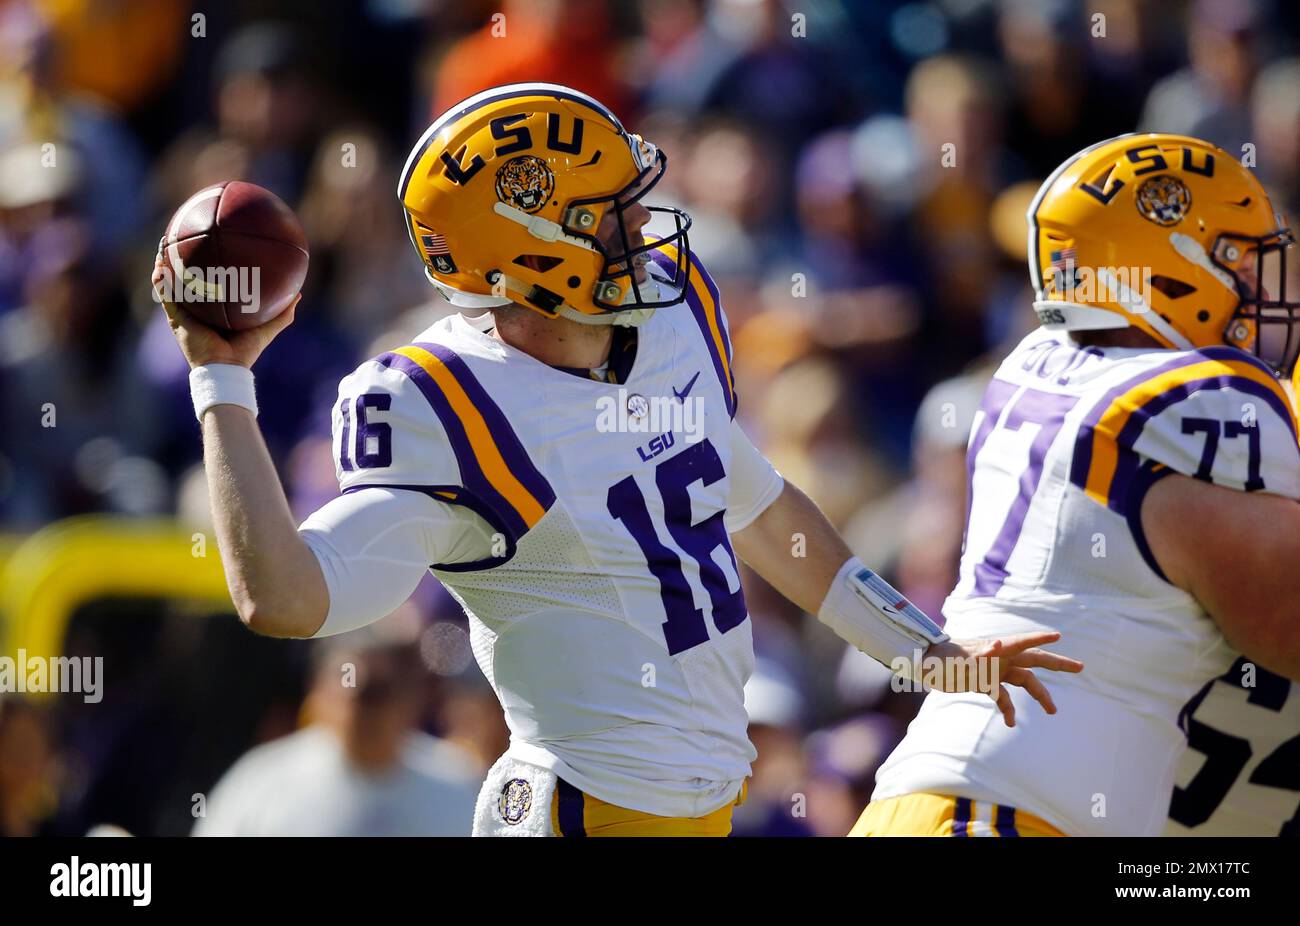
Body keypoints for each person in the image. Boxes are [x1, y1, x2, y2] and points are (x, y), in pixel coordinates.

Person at [154, 82, 1080, 837]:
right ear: (534, 250)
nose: (644, 231)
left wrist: (924, 654)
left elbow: (755, 506)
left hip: (699, 806)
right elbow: (285, 599)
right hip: (577, 811)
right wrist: (222, 379)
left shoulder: (672, 314)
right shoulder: (446, 401)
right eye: (609, 217)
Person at [853, 133, 1300, 837]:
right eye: (1237, 263)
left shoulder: (1033, 364)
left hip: (945, 801)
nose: (1257, 291)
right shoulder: (1203, 405)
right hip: (1001, 815)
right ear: (1167, 271)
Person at [194, 631, 479, 836]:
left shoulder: (458, 784)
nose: (362, 710)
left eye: (379, 691)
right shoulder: (262, 783)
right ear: (318, 693)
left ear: (415, 697)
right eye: (351, 688)